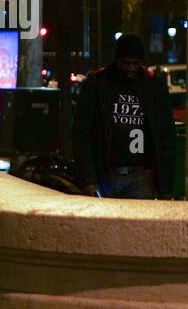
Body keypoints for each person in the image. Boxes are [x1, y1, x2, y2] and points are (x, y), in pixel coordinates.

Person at [73, 34, 174, 200]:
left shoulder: (154, 89)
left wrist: (166, 187)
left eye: (136, 63)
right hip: (108, 173)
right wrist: (88, 180)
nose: (131, 68)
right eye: (126, 63)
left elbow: (166, 137)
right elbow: (81, 134)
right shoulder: (97, 85)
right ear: (117, 60)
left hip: (141, 175)